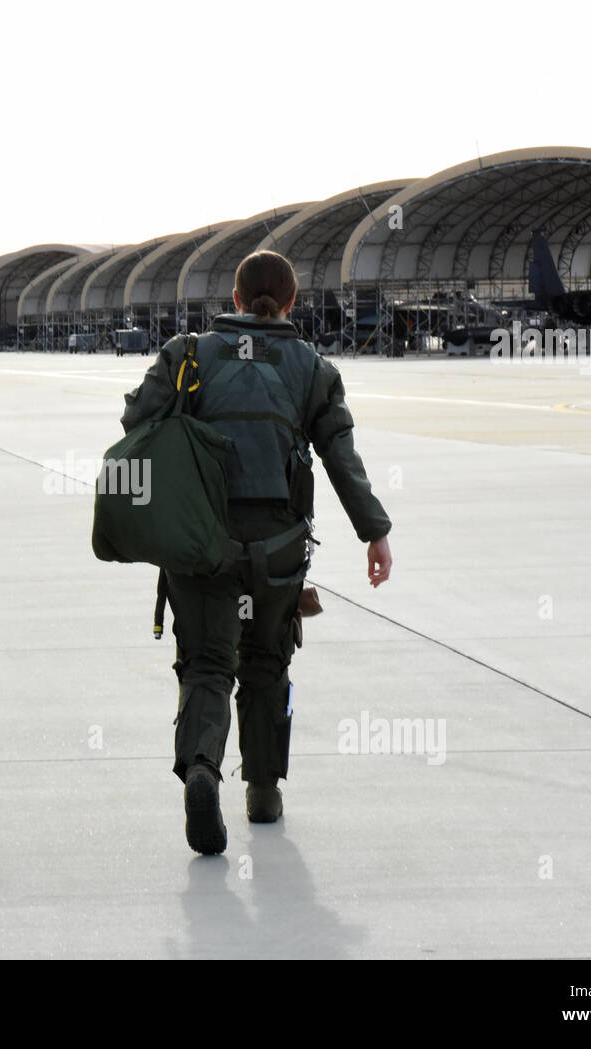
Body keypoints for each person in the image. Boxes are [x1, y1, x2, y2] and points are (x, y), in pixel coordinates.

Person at [120, 250, 392, 855]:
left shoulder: (187, 354)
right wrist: (374, 532)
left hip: (199, 544)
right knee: (267, 663)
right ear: (291, 303)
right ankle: (263, 792)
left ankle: (200, 769)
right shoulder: (311, 367)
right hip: (277, 550)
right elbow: (340, 459)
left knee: (206, 665)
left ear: (235, 299)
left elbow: (133, 422)